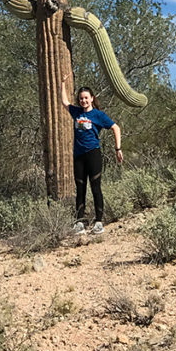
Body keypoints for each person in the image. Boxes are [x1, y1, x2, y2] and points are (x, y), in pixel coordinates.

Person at [61, 78, 123, 234]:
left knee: (95, 188)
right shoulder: (76, 112)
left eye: (86, 98)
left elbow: (116, 128)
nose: (83, 100)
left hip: (93, 154)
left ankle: (99, 221)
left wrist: (118, 148)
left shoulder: (98, 115)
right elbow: (64, 102)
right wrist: (62, 84)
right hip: (78, 156)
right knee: (80, 189)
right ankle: (80, 222)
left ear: (92, 98)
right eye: (81, 98)